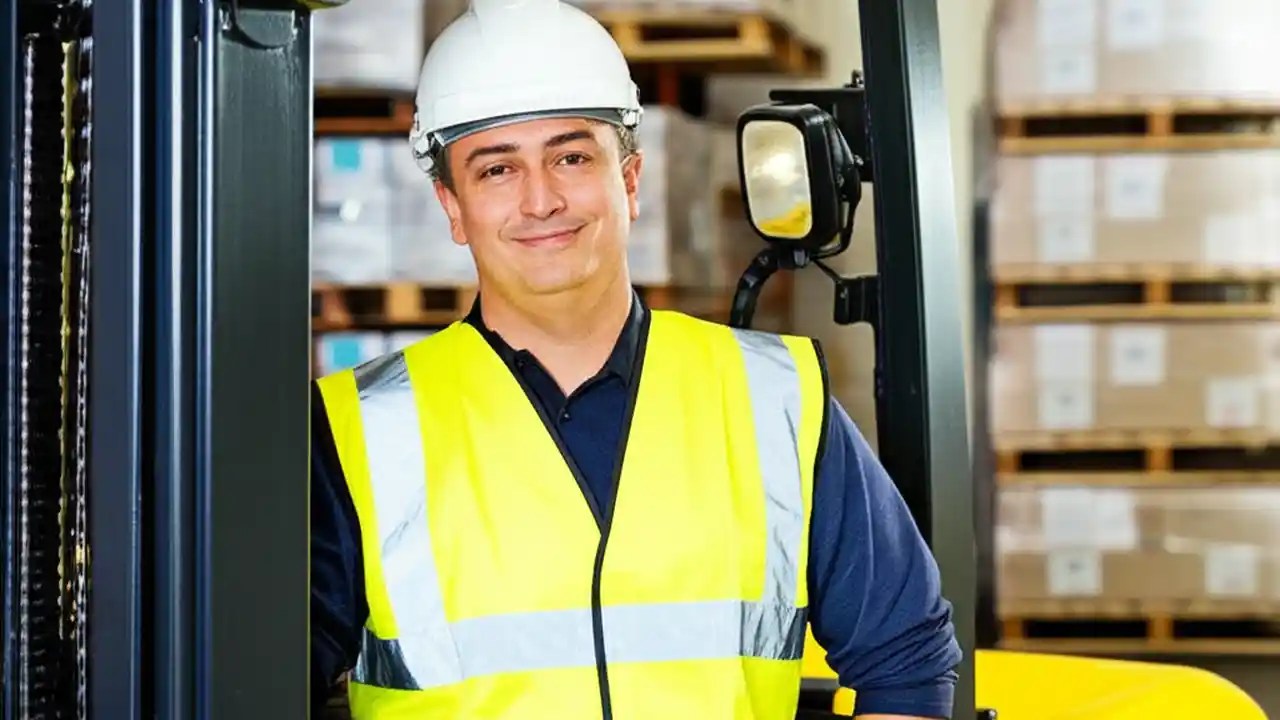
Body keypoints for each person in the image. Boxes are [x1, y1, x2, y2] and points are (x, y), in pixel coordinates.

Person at [310, 1, 962, 718]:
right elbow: (257, 676)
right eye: (497, 170)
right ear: (452, 206)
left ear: (629, 178)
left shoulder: (772, 399)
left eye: (571, 157)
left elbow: (905, 655)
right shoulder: (360, 433)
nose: (541, 200)